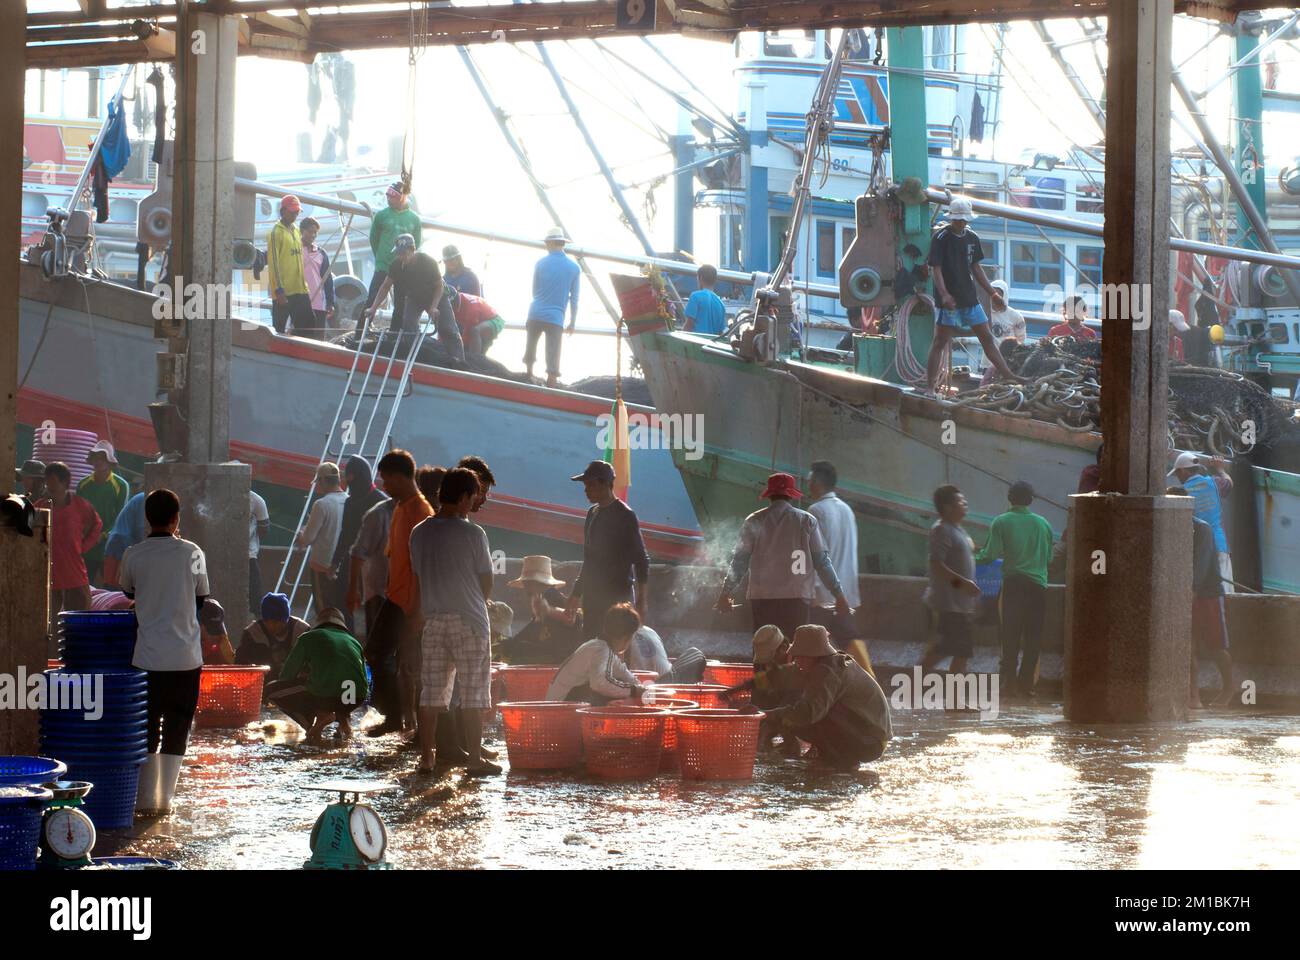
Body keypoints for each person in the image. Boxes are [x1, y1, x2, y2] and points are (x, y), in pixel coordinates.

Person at [119, 489, 208, 817]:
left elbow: (128, 592)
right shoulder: (193, 552)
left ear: (147, 518)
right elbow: (201, 598)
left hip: (147, 658)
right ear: (176, 518)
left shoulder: (133, 555)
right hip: (185, 657)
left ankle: (145, 798)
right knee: (178, 725)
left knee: (148, 725)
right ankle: (164, 801)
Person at [409, 467, 500, 775]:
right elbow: (486, 581)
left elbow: (419, 576)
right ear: (463, 498)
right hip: (470, 620)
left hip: (433, 620)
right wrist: (476, 599)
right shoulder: (473, 533)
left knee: (431, 694)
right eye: (474, 496)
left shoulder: (419, 532)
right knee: (474, 692)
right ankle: (474, 760)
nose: (476, 502)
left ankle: (427, 758)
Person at [716, 472, 852, 641]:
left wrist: (725, 593)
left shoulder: (754, 520)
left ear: (769, 494)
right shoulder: (806, 520)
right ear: (791, 494)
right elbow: (822, 562)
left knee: (765, 648)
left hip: (762, 598)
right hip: (797, 598)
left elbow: (740, 562)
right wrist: (839, 595)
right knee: (795, 649)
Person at [364, 449, 433, 737]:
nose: (383, 486)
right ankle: (397, 715)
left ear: (400, 476)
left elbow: (423, 567)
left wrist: (417, 608)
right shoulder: (399, 509)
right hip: (394, 597)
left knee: (407, 662)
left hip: (410, 601)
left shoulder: (421, 511)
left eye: (386, 480)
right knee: (384, 655)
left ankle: (406, 719)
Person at [761, 624, 893, 769]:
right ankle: (825, 752)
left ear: (816, 655)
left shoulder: (828, 671)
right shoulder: (818, 666)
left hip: (870, 742)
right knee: (792, 702)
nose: (798, 662)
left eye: (802, 657)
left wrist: (766, 714)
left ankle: (842, 760)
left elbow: (808, 713)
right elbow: (780, 675)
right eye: (797, 656)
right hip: (862, 733)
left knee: (802, 712)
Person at [925, 197, 1020, 393]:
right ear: (951, 218)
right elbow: (936, 268)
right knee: (939, 342)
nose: (961, 223)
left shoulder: (972, 238)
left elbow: (976, 268)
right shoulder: (941, 238)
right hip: (949, 301)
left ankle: (1008, 374)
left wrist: (992, 293)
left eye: (964, 220)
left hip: (969, 297)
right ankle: (929, 386)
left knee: (987, 337)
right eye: (957, 219)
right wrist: (944, 294)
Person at [976, 480, 1054, 697]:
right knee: (1033, 637)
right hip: (1038, 587)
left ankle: (1007, 683)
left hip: (1013, 585)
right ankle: (1026, 685)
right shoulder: (1044, 524)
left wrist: (971, 555)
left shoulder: (1001, 521)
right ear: (1030, 500)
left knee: (1009, 635)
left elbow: (990, 555)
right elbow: (1049, 557)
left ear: (1010, 498)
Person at [565, 460, 650, 638]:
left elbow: (641, 560)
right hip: (592, 597)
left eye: (591, 485)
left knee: (615, 648)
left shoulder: (625, 515)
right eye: (585, 485)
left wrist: (642, 601)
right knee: (591, 647)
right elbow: (588, 559)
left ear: (606, 484)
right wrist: (575, 594)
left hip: (617, 599)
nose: (586, 489)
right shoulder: (592, 513)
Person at [1169, 486, 1235, 709]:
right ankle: (1193, 695)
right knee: (1189, 647)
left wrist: (1192, 591)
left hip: (1207, 595)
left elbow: (1202, 564)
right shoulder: (1170, 527)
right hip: (1182, 593)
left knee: (1216, 646)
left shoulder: (1202, 529)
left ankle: (1229, 688)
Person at [267, 607, 370, 744]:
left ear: (319, 624)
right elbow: (361, 677)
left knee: (271, 690)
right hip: (356, 697)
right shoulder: (354, 641)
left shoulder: (308, 637)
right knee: (343, 685)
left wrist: (305, 679)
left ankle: (315, 723)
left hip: (327, 696)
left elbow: (287, 675)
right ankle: (344, 721)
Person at [365, 234, 465, 361]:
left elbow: (439, 287)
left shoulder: (428, 262)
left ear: (413, 250)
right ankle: (416, 357)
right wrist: (373, 308)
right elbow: (385, 287)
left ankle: (459, 362)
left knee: (449, 330)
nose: (401, 257)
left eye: (404, 253)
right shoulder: (396, 265)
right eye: (399, 253)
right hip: (415, 297)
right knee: (408, 326)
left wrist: (433, 307)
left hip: (436, 295)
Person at [919, 484, 981, 677]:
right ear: (947, 507)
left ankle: (917, 679)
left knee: (953, 650)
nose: (965, 503)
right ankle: (917, 679)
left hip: (960, 605)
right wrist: (962, 584)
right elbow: (936, 565)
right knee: (956, 650)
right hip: (947, 604)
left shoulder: (958, 529)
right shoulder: (941, 530)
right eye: (960, 501)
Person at [805, 460, 861, 650]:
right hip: (846, 592)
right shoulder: (847, 510)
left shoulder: (816, 511)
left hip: (822, 595)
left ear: (818, 483)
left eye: (809, 480)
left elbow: (816, 556)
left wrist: (813, 591)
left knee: (812, 648)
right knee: (849, 642)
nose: (808, 485)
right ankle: (866, 676)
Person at [546, 602, 647, 705]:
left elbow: (622, 672)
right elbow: (599, 684)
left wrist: (640, 687)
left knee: (617, 684)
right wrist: (633, 690)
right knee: (607, 689)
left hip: (560, 701)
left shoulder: (600, 647)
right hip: (561, 706)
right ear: (626, 638)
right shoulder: (601, 651)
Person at [40, 461, 103, 621]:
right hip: (48, 575)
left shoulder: (81, 506)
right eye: (47, 482)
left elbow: (97, 525)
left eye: (53, 482)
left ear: (65, 483)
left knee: (79, 621)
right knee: (48, 624)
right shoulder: (39, 507)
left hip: (74, 573)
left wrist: (83, 547)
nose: (49, 486)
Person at [329, 456, 385, 628]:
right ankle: (349, 641)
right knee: (342, 603)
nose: (348, 481)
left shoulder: (381, 501)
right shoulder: (349, 502)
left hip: (375, 564)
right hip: (351, 560)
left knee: (375, 609)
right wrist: (334, 562)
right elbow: (345, 534)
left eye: (351, 476)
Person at [1169, 451, 1234, 594]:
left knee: (1199, 593)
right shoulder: (1215, 482)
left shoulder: (1181, 493)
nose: (1178, 477)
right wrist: (1220, 469)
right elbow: (1229, 483)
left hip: (1198, 550)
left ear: (1183, 470)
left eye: (1178, 473)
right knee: (1226, 594)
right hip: (1219, 546)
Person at [525, 227, 581, 388]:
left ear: (549, 243)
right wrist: (572, 322)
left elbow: (534, 291)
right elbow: (574, 299)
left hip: (535, 313)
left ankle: (529, 374)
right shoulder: (574, 268)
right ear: (562, 243)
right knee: (553, 355)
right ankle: (551, 384)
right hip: (555, 317)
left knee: (531, 347)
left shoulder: (540, 263)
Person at [500, 555, 582, 664]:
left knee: (519, 650)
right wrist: (509, 643)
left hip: (561, 657)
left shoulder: (552, 596)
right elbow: (533, 628)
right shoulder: (539, 600)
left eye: (527, 583)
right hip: (554, 653)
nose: (525, 588)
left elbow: (572, 618)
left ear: (538, 582)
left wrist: (549, 610)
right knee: (515, 646)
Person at [365, 182, 422, 319]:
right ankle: (360, 333)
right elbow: (373, 239)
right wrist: (379, 258)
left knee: (400, 303)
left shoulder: (414, 219)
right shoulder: (381, 215)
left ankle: (395, 334)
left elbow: (416, 243)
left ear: (402, 197)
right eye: (387, 196)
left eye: (392, 196)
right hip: (383, 265)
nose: (388, 199)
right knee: (372, 298)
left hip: (402, 267)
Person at [296, 462, 348, 613]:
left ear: (323, 481)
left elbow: (307, 539)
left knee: (324, 609)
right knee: (340, 609)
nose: (318, 485)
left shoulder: (321, 504)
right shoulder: (349, 501)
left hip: (322, 566)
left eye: (318, 481)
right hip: (343, 566)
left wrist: (301, 535)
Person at [75, 441, 128, 588]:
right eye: (96, 457)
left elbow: (120, 520)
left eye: (102, 458)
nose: (98, 461)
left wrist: (103, 535)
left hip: (109, 547)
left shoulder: (121, 486)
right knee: (82, 587)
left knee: (109, 590)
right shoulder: (83, 484)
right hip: (86, 546)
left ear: (109, 461)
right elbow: (77, 516)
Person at [347, 494, 396, 638]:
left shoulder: (416, 510)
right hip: (378, 591)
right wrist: (353, 589)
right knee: (378, 647)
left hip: (402, 593)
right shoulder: (378, 514)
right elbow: (358, 553)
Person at [267, 194, 313, 336]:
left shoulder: (296, 230)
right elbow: (273, 264)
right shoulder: (275, 233)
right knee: (279, 331)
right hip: (284, 292)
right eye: (292, 212)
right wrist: (279, 291)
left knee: (309, 327)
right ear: (283, 211)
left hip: (300, 289)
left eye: (297, 212)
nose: (295, 215)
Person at [236, 592, 311, 677]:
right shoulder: (252, 634)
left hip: (296, 684)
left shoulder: (302, 631)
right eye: (267, 621)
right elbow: (241, 665)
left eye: (276, 622)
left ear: (286, 619)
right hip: (263, 684)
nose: (271, 626)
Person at [299, 216, 336, 339]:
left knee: (318, 339)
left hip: (319, 304)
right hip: (299, 302)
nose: (313, 235)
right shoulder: (294, 250)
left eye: (315, 232)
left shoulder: (321, 253)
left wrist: (330, 302)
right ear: (301, 231)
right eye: (310, 231)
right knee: (300, 337)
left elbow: (327, 279)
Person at [103, 489, 146, 587]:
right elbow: (142, 531)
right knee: (116, 595)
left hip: (127, 549)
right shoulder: (145, 499)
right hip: (120, 549)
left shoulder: (146, 498)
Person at [450, 288, 505, 357]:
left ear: (455, 304)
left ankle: (475, 360)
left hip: (494, 320)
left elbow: (468, 334)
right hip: (479, 320)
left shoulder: (472, 309)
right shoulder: (453, 301)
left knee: (474, 331)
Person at [682, 264, 727, 335]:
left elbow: (688, 325)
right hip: (711, 344)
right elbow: (720, 332)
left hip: (696, 343)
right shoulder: (721, 304)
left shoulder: (695, 296)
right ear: (715, 280)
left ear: (700, 278)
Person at [248, 484, 270, 617]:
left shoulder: (257, 500)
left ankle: (259, 617)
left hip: (248, 553)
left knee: (256, 590)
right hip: (249, 551)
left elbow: (264, 528)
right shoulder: (256, 500)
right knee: (255, 589)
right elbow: (264, 528)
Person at [986, 278, 1026, 343]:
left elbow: (1021, 340)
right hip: (988, 351)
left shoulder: (1016, 316)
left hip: (1008, 352)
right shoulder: (984, 313)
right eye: (991, 294)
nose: (994, 298)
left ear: (1004, 295)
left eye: (998, 294)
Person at [199, 599, 235, 665]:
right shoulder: (185, 645)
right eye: (212, 630)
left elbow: (232, 664)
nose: (216, 636)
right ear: (198, 625)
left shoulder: (222, 639)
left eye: (217, 629)